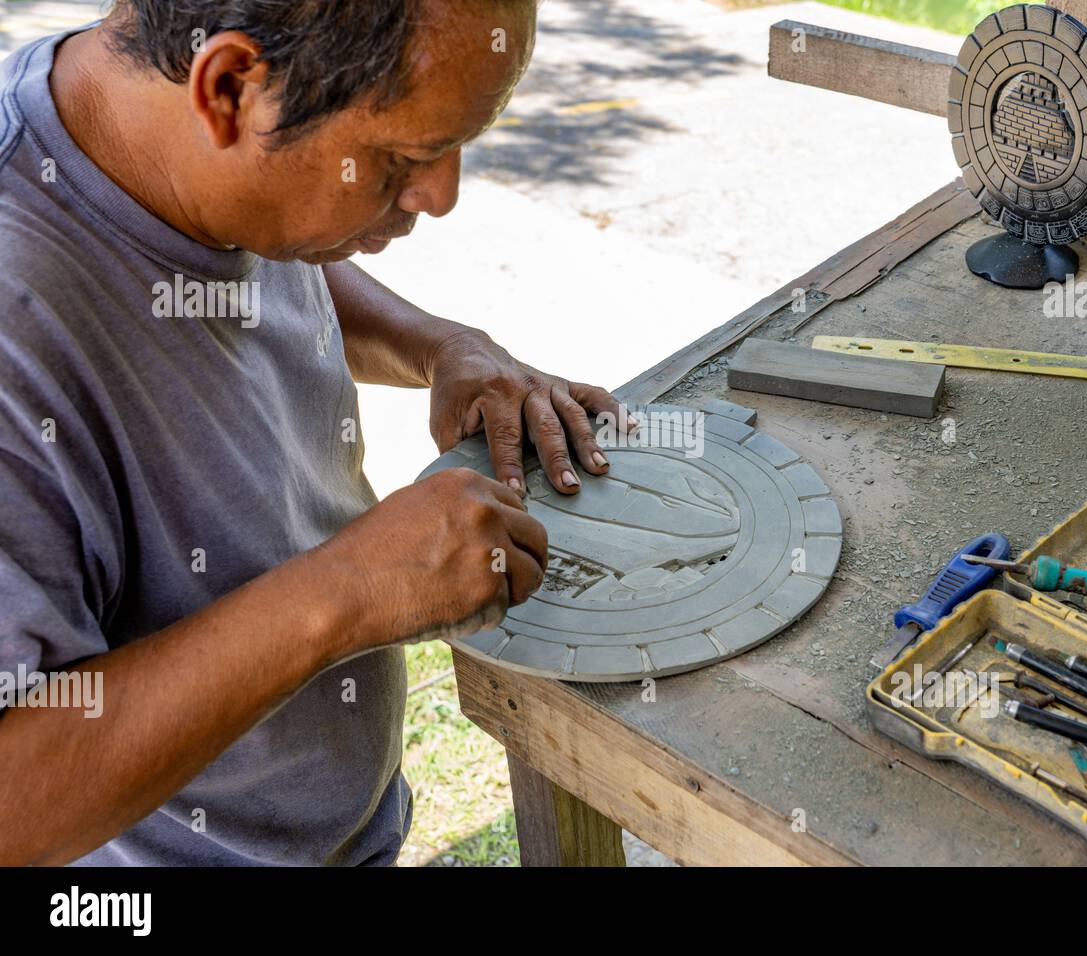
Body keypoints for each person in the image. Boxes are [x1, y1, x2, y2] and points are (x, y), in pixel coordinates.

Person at [0, 0, 621, 865]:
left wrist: (435, 346)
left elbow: (241, 246)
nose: (440, 196)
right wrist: (350, 591)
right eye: (402, 158)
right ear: (228, 89)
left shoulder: (138, 119)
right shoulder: (17, 318)